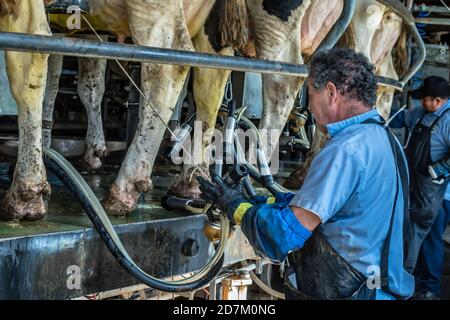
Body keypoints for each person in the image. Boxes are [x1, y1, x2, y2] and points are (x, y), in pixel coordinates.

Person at [198, 48, 414, 300]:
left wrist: (234, 206)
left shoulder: (346, 149)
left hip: (352, 293)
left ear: (331, 93)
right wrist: (259, 202)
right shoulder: (384, 139)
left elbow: (284, 234)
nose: (308, 106)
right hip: (378, 289)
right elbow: (339, 211)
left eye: (310, 94)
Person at [390, 76, 450, 299]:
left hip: (440, 192)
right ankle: (411, 280)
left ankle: (430, 288)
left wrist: (438, 169)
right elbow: (399, 118)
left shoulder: (448, 120)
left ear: (437, 100)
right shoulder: (422, 113)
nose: (421, 103)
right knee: (412, 233)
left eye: (425, 99)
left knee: (430, 239)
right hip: (418, 185)